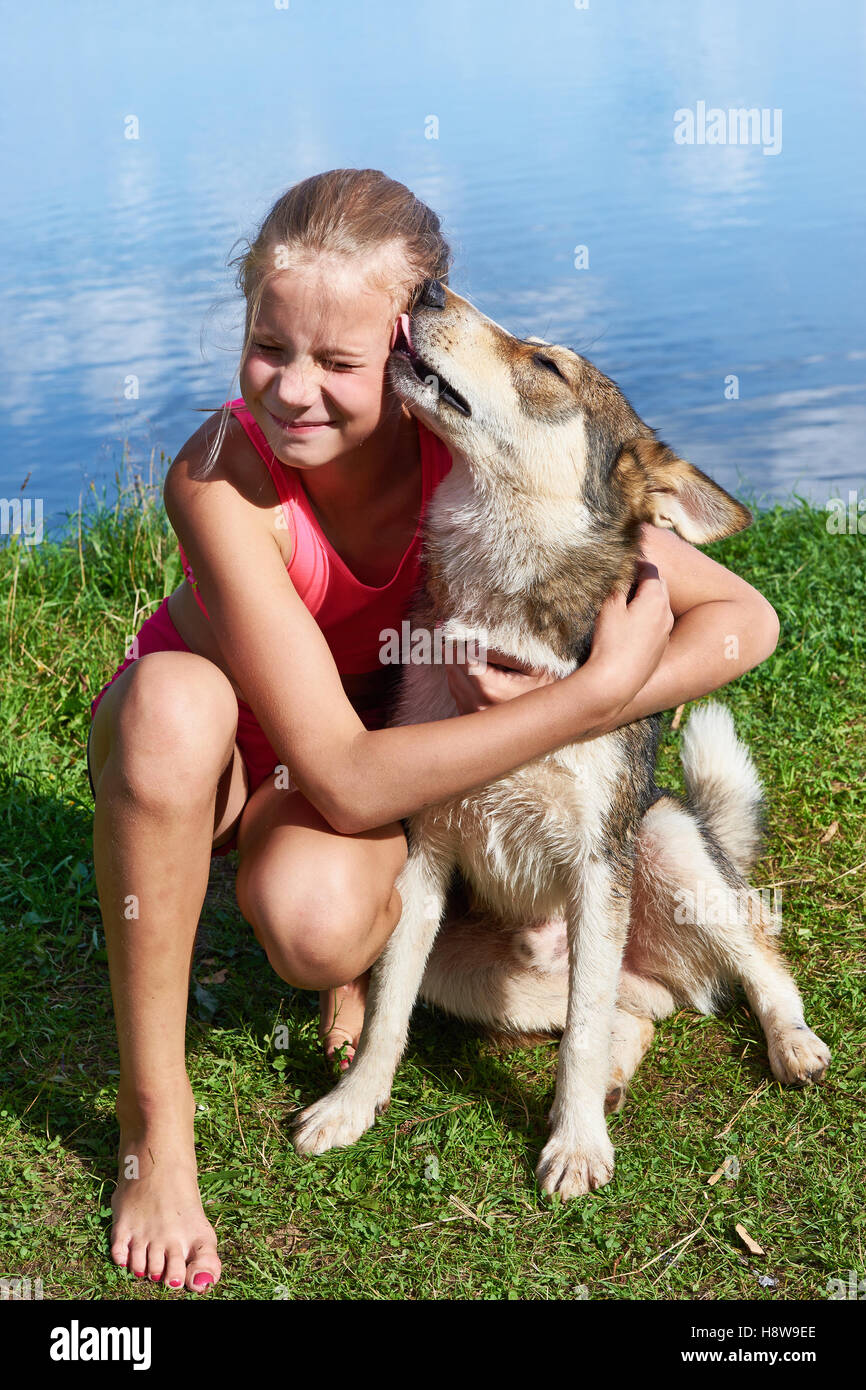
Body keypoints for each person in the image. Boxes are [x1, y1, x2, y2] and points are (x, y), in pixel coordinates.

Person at [85, 168, 780, 1293]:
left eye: (339, 362)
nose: (294, 391)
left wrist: (635, 666)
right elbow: (357, 782)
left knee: (316, 928)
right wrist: (589, 699)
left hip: (345, 760)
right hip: (234, 752)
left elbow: (743, 617)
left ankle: (334, 957)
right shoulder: (219, 478)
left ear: (404, 344)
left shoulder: (467, 450)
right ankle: (153, 1119)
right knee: (176, 705)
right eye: (269, 347)